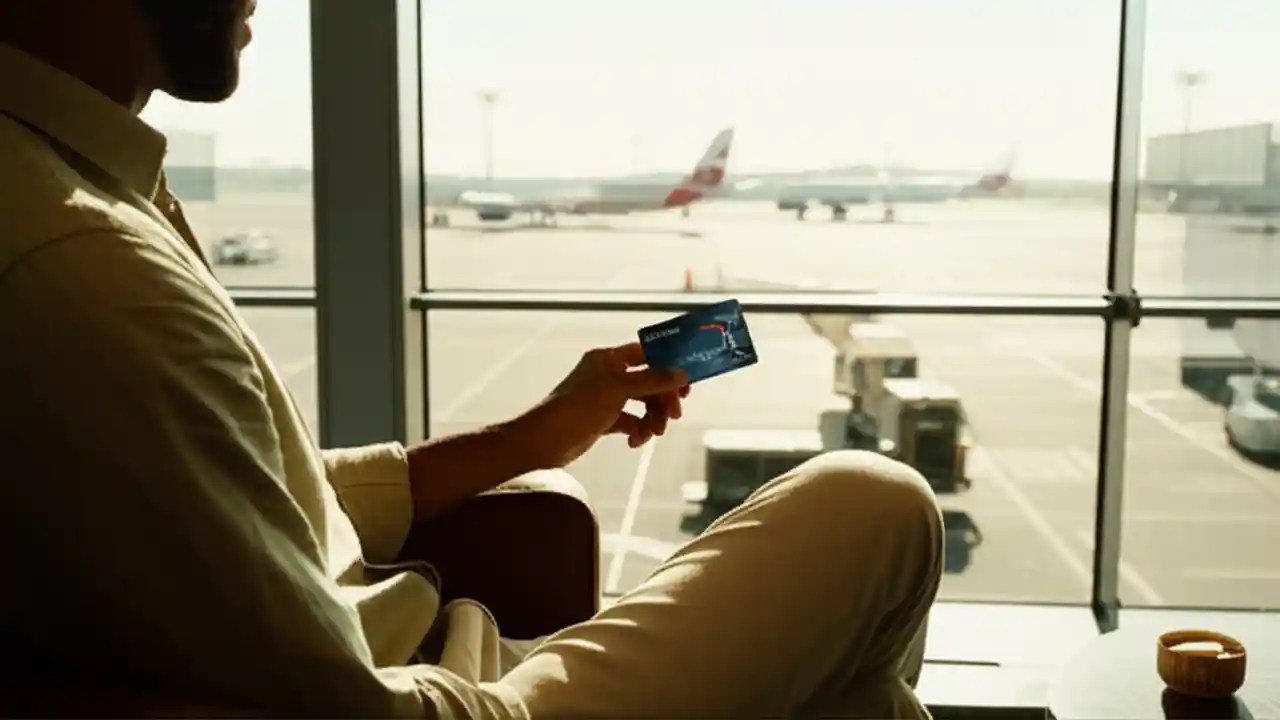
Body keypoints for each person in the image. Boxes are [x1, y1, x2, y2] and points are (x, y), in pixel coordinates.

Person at [0, 1, 943, 717]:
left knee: (852, 691)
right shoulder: (82, 266)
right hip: (436, 691)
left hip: (446, 650)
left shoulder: (76, 201)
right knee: (879, 503)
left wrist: (534, 436)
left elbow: (252, 501)